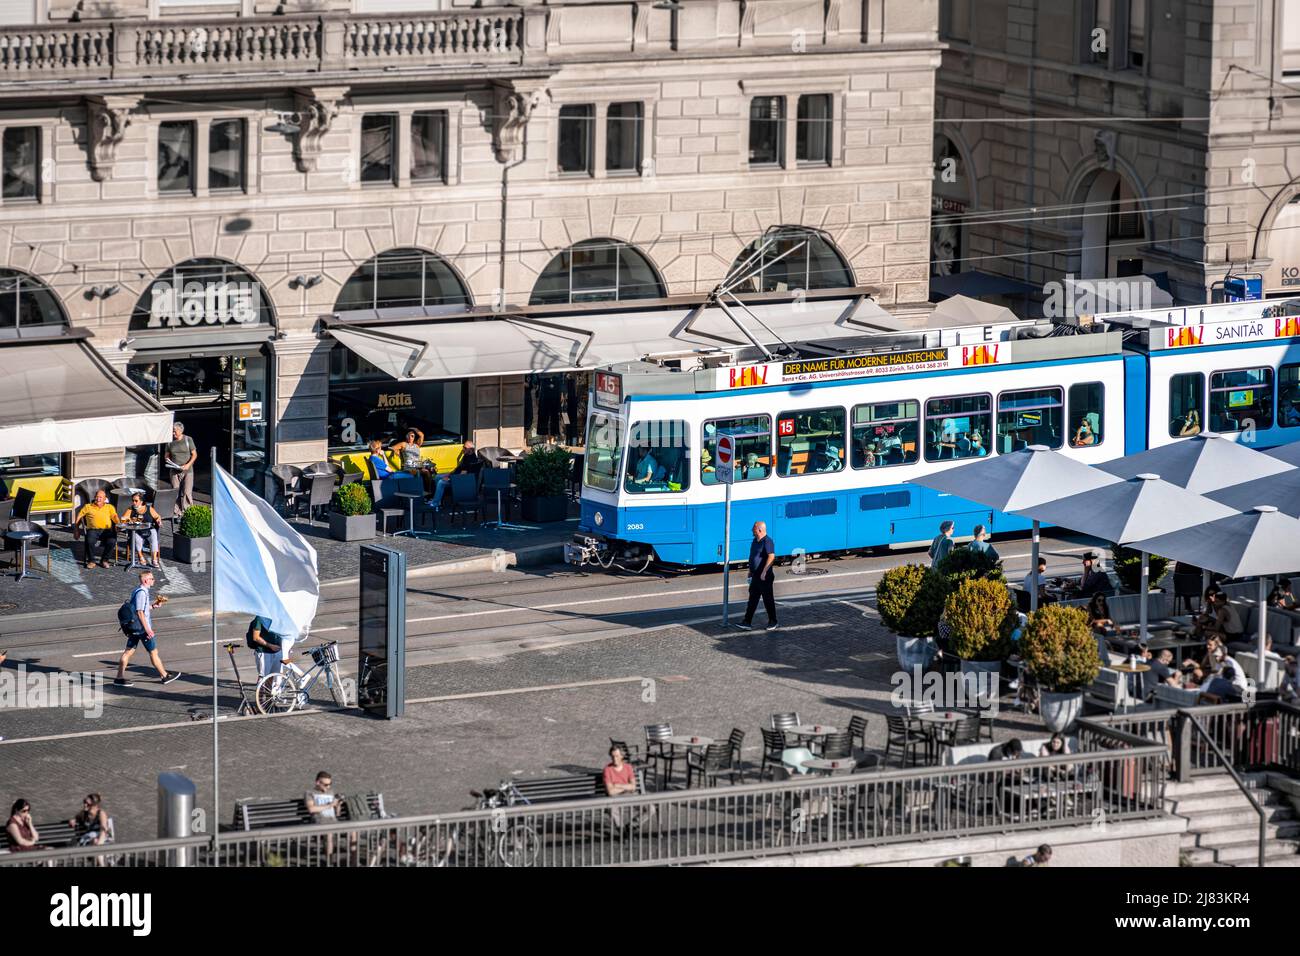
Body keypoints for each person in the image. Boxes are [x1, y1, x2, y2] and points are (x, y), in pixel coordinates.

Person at [114, 570, 179, 686]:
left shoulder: (138, 590)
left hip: (135, 628)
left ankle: (119, 678)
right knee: (153, 652)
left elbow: (140, 609)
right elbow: (140, 613)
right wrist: (148, 629)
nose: (154, 580)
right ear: (145, 580)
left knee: (128, 652)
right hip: (141, 629)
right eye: (152, 579)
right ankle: (164, 676)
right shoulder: (142, 593)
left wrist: (153, 606)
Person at [737, 521, 777, 631]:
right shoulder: (755, 541)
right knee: (752, 599)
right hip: (755, 575)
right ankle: (747, 622)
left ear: (759, 530)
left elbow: (771, 557)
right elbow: (753, 556)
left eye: (753, 529)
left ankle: (773, 621)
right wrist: (750, 570)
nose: (752, 530)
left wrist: (764, 571)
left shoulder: (767, 541)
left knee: (768, 599)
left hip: (765, 576)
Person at [74, 488, 121, 569]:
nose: (98, 499)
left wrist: (118, 524)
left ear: (105, 499)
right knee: (89, 541)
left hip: (107, 530)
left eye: (100, 497)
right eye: (97, 497)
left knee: (112, 541)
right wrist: (76, 530)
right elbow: (79, 517)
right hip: (93, 530)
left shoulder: (110, 507)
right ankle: (92, 561)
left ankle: (104, 560)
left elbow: (114, 517)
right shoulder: (88, 506)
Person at [429, 441, 481, 509]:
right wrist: (448, 474)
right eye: (463, 447)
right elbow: (458, 468)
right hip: (455, 476)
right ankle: (438, 500)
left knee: (441, 483)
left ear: (471, 450)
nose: (463, 449)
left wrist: (450, 478)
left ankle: (435, 503)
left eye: (465, 448)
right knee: (437, 477)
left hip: (460, 481)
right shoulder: (466, 455)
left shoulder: (471, 460)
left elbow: (463, 475)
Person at [120, 492, 163, 569]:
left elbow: (157, 516)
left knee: (154, 539)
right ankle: (140, 557)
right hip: (137, 531)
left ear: (141, 501)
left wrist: (158, 521)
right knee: (137, 540)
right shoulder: (131, 509)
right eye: (133, 500)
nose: (134, 502)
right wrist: (129, 520)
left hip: (149, 529)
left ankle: (154, 559)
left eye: (136, 501)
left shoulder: (148, 508)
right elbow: (123, 518)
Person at [305, 771, 343, 856]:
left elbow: (338, 814)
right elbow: (311, 809)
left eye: (330, 784)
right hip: (320, 821)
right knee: (329, 833)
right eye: (326, 784)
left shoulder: (331, 792)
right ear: (318, 782)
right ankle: (330, 862)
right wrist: (329, 805)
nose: (328, 786)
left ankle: (354, 862)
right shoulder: (310, 793)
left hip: (333, 821)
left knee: (354, 832)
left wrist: (338, 806)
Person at [166, 421, 198, 517]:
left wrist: (188, 465)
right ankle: (176, 512)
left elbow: (194, 454)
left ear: (180, 430)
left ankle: (187, 512)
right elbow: (166, 455)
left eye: (175, 431)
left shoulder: (188, 440)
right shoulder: (170, 442)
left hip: (187, 470)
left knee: (187, 492)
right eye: (172, 431)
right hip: (174, 470)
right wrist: (168, 461)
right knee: (175, 491)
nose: (173, 433)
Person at [392, 427, 433, 494]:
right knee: (420, 472)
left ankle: (428, 492)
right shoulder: (404, 444)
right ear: (406, 437)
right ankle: (422, 493)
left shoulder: (417, 445)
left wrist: (415, 429)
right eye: (409, 435)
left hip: (418, 465)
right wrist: (396, 451)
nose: (411, 437)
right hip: (409, 466)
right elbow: (393, 447)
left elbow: (422, 435)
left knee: (428, 471)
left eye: (412, 436)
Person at [246, 615, 284, 680]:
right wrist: (271, 646)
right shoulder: (259, 619)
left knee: (275, 675)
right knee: (263, 678)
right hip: (264, 652)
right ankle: (261, 689)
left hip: (278, 651)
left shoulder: (278, 616)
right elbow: (256, 637)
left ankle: (269, 690)